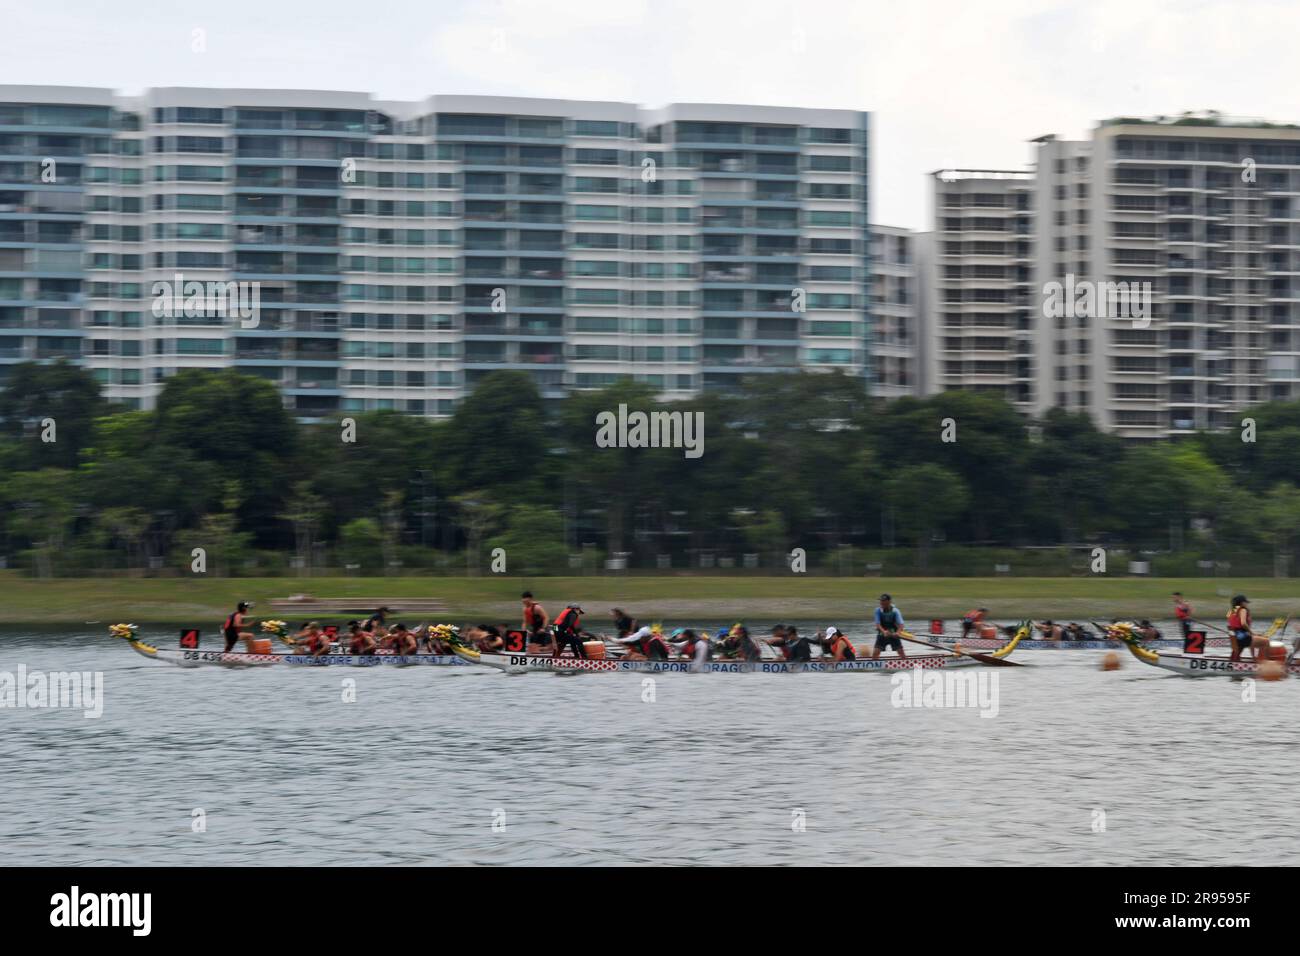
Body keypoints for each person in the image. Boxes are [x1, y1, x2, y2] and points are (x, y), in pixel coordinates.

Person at [1227, 595, 1268, 662]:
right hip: (1242, 637)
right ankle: (1263, 661)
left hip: (1235, 637)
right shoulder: (1243, 610)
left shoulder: (1230, 611)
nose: (1247, 604)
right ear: (1241, 603)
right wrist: (1252, 633)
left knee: (1255, 639)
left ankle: (1234, 660)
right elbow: (1243, 623)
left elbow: (1230, 623)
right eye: (1246, 602)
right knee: (1265, 641)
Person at [872, 594, 906, 659]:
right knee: (875, 653)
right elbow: (878, 624)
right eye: (881, 601)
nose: (881, 602)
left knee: (901, 653)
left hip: (894, 635)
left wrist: (898, 633)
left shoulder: (895, 611)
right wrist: (884, 632)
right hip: (882, 634)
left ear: (889, 602)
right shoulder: (878, 610)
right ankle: (875, 665)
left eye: (883, 601)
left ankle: (906, 663)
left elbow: (901, 625)